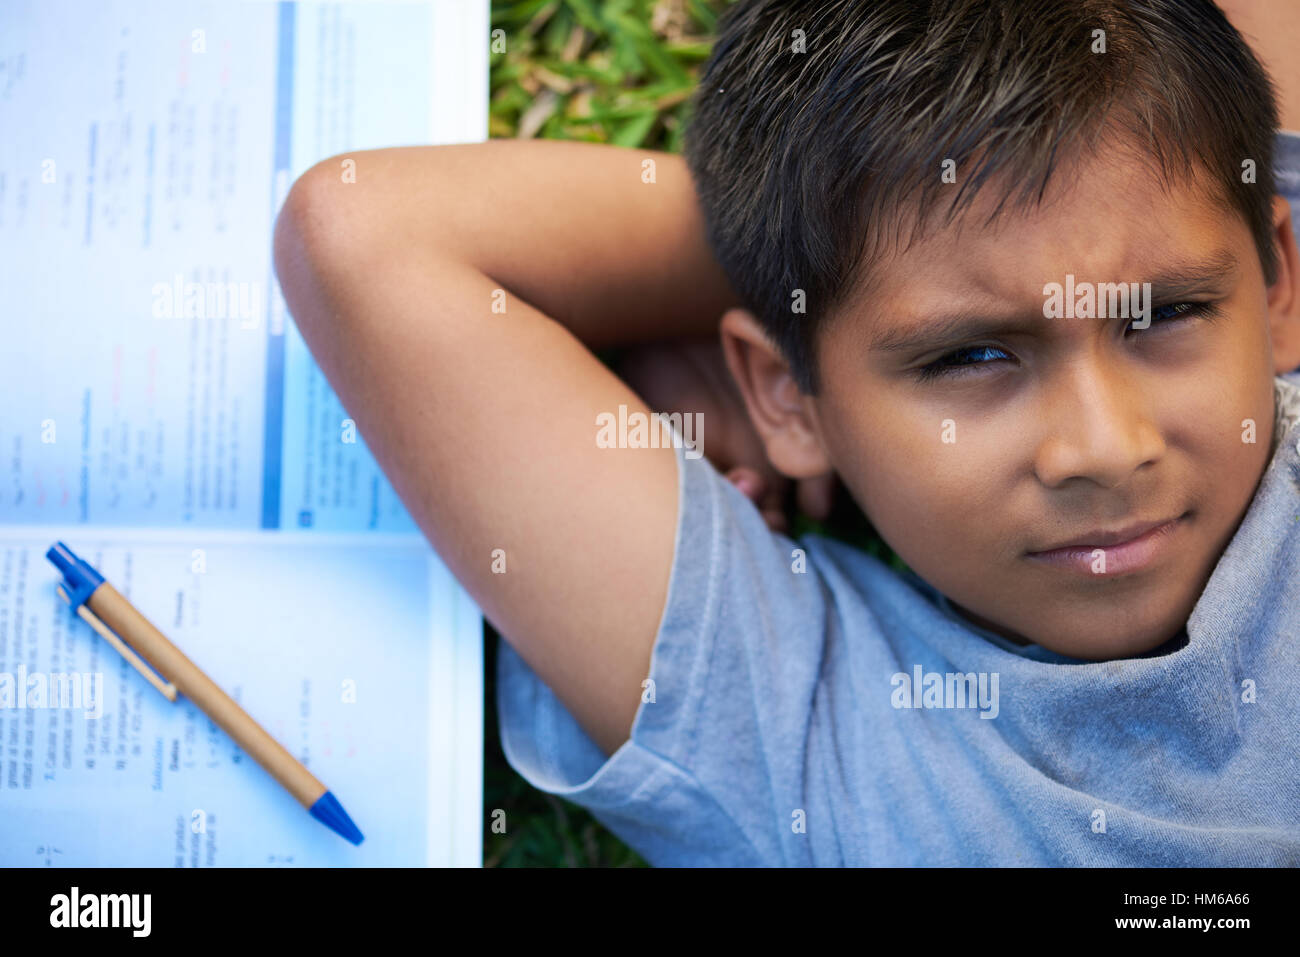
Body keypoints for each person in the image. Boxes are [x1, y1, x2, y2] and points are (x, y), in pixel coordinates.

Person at [272, 0, 1300, 864]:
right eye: (967, 355)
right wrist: (828, 254)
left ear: (1277, 283)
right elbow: (361, 233)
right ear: (784, 400)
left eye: (1163, 314)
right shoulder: (807, 739)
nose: (1102, 447)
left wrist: (877, 276)